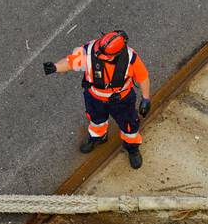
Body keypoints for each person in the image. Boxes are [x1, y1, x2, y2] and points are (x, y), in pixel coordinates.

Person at [42, 29, 151, 169]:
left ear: (116, 54)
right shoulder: (89, 51)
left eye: (103, 54)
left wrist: (146, 99)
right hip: (95, 98)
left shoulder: (131, 58)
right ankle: (97, 137)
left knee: (129, 125)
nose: (98, 54)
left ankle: (132, 149)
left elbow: (143, 78)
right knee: (96, 121)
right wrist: (56, 67)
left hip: (122, 101)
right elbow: (70, 62)